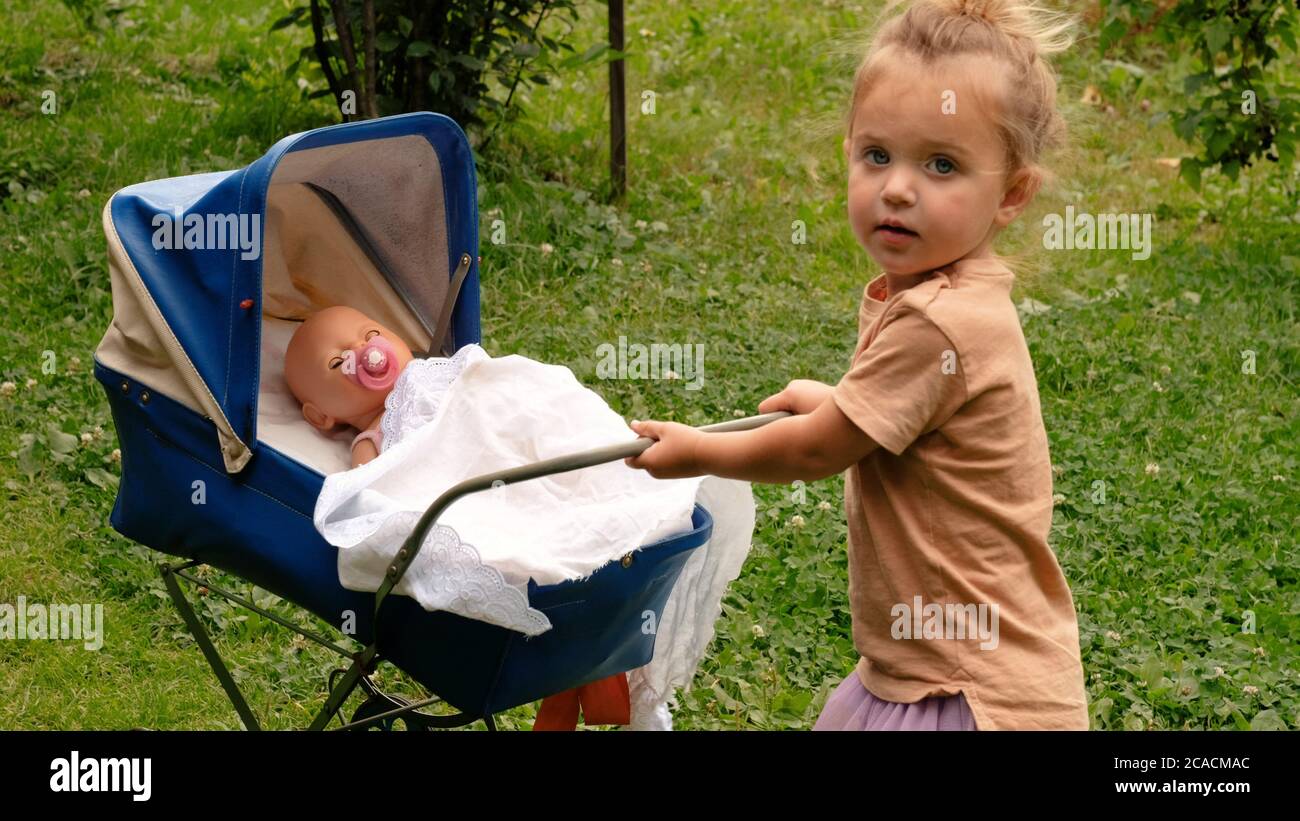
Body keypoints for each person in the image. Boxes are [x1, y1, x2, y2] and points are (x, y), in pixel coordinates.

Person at [624, 0, 1088, 730]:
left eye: (942, 164)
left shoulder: (939, 319)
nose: (898, 187)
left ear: (1013, 194)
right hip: (925, 663)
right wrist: (844, 400)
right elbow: (896, 417)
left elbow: (816, 449)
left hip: (965, 689)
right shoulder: (949, 295)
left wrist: (699, 451)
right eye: (878, 155)